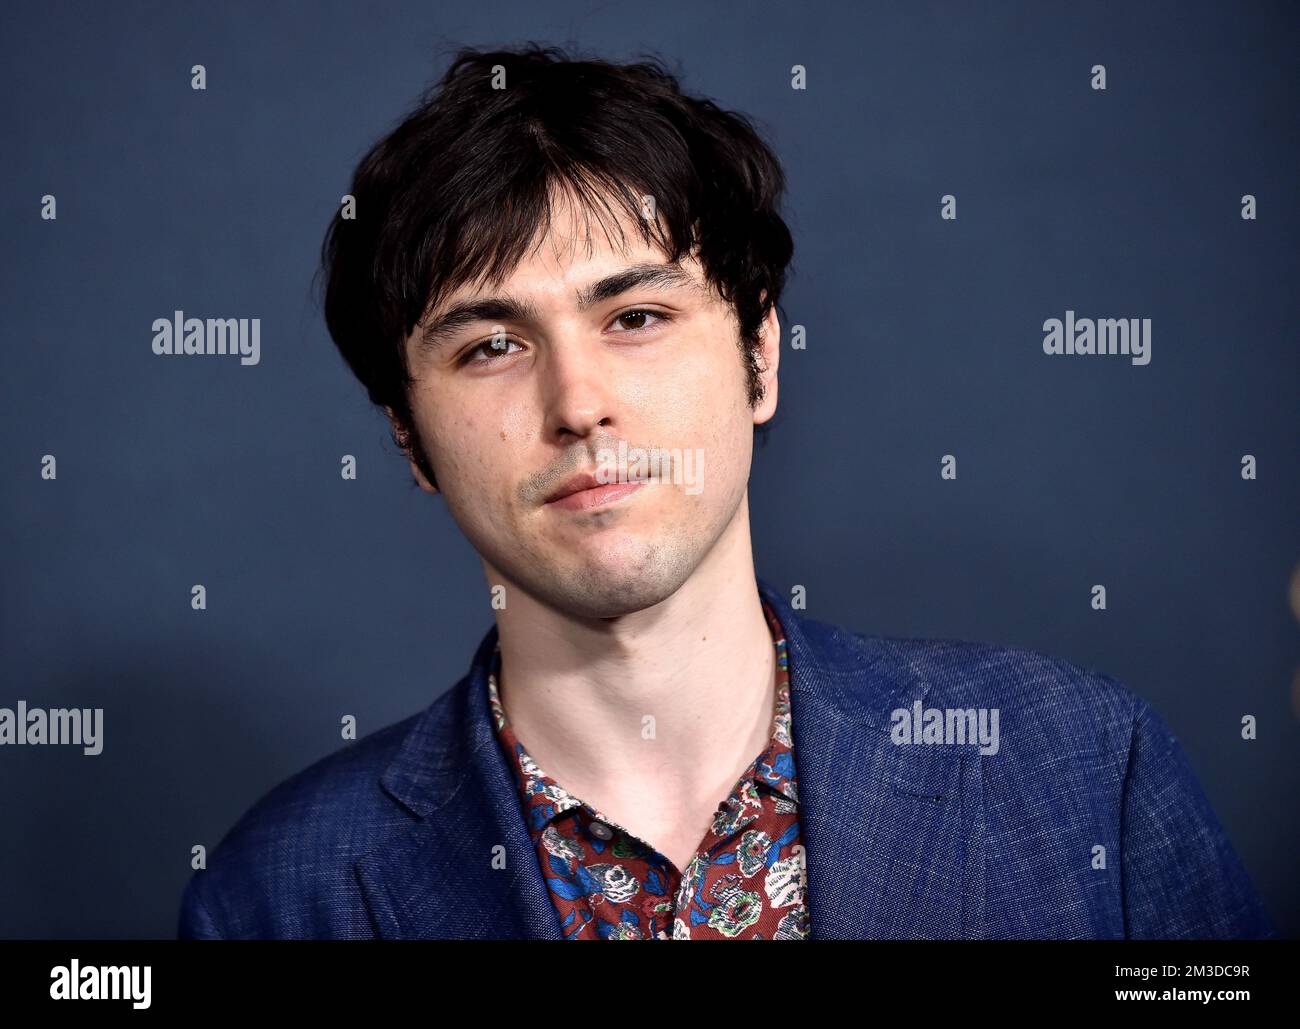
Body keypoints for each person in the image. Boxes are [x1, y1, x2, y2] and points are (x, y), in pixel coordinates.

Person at [177, 44, 1273, 940]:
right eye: (491, 346)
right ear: (409, 438)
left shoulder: (1083, 768)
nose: (579, 402)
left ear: (760, 356)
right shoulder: (275, 901)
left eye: (636, 318)